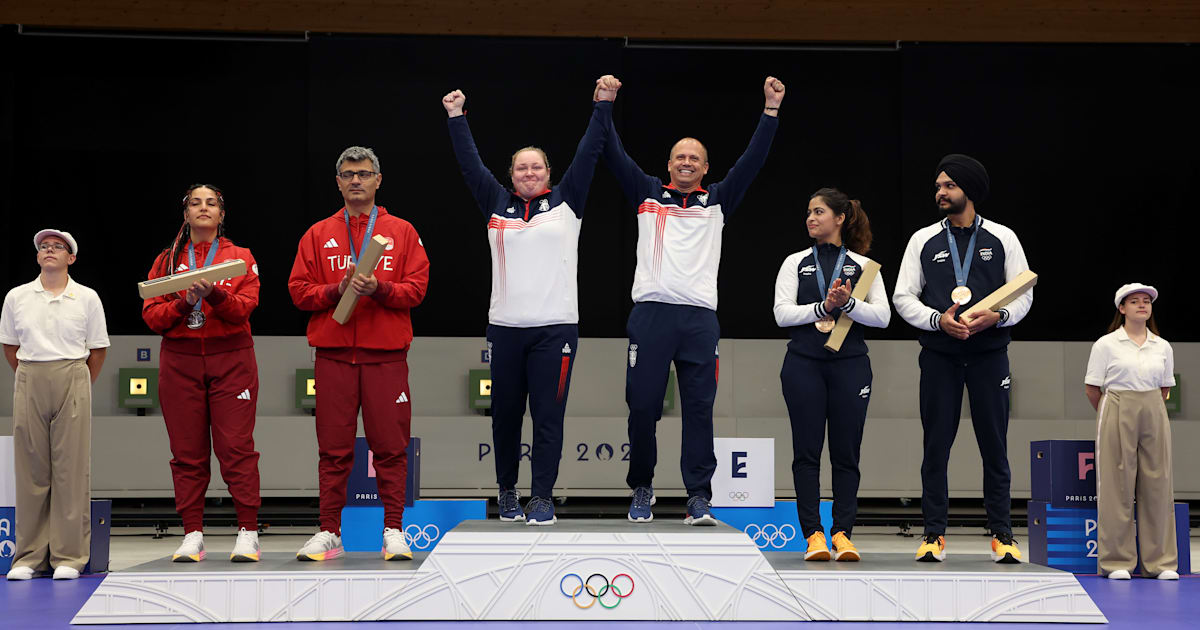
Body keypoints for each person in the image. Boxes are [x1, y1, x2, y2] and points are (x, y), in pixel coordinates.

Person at [604, 76, 785, 524]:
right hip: (650, 316)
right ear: (669, 164)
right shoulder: (647, 193)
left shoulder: (718, 200)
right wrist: (604, 105)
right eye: (680, 157)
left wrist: (770, 111)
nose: (687, 163)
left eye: (695, 159)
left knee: (699, 410)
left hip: (700, 319)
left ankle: (698, 496)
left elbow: (753, 161)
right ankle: (642, 486)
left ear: (706, 168)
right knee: (643, 407)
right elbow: (612, 152)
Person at [442, 76, 617, 525]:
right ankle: (506, 491)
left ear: (549, 173)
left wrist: (602, 105)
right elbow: (468, 165)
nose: (529, 173)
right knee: (504, 417)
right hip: (504, 328)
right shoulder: (495, 204)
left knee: (547, 416)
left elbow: (590, 153)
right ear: (511, 174)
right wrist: (457, 117)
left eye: (536, 167)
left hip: (555, 328)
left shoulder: (566, 203)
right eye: (521, 168)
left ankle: (541, 497)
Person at [288, 146, 430, 561]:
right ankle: (329, 530)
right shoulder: (318, 234)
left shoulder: (401, 231)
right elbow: (298, 292)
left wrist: (379, 289)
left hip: (385, 355)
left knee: (390, 446)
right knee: (333, 449)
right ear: (337, 182)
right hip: (333, 355)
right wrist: (337, 290)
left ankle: (393, 530)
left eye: (364, 174)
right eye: (348, 174)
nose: (356, 181)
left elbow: (417, 290)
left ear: (377, 180)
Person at [893, 154, 1032, 563]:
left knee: (995, 446)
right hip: (939, 356)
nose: (940, 192)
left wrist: (999, 316)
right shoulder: (922, 240)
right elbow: (903, 296)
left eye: (948, 185)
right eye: (938, 186)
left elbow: (1023, 291)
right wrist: (938, 321)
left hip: (990, 355)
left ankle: (1003, 534)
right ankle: (933, 534)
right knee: (936, 446)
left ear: (968, 190)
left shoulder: (1003, 238)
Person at [141, 185, 263, 563]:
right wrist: (184, 302)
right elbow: (152, 316)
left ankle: (248, 531)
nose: (204, 208)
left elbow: (246, 307)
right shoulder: (167, 260)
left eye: (211, 203)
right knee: (187, 453)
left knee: (236, 449)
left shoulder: (239, 258)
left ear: (221, 214)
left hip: (232, 361)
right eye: (196, 203)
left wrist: (215, 296)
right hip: (180, 362)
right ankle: (193, 532)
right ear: (186, 213)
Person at [773, 188, 890, 561]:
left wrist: (850, 303)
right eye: (808, 212)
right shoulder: (795, 262)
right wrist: (824, 306)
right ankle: (813, 535)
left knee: (846, 454)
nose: (811, 218)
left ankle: (842, 533)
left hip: (851, 366)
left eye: (819, 212)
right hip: (803, 364)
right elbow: (781, 314)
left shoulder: (863, 267)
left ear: (840, 218)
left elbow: (884, 317)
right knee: (806, 453)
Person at [1, 229, 108, 580]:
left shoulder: (86, 297)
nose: (49, 251)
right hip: (31, 373)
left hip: (73, 373)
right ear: (37, 257)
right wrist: (32, 376)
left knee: (71, 470)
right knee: (31, 469)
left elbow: (98, 348)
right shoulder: (17, 297)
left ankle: (69, 556)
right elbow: (10, 347)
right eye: (44, 247)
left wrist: (77, 383)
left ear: (71, 258)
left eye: (57, 247)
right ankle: (29, 557)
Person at [1084, 283, 1178, 580]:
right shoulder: (1106, 344)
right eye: (1134, 301)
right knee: (1116, 484)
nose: (1142, 305)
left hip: (1153, 404)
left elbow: (1165, 387)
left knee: (1158, 483)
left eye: (1146, 301)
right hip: (1117, 403)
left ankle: (1160, 562)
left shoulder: (1161, 345)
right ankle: (1117, 561)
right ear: (1121, 308)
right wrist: (1112, 413)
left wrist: (1149, 406)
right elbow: (1092, 387)